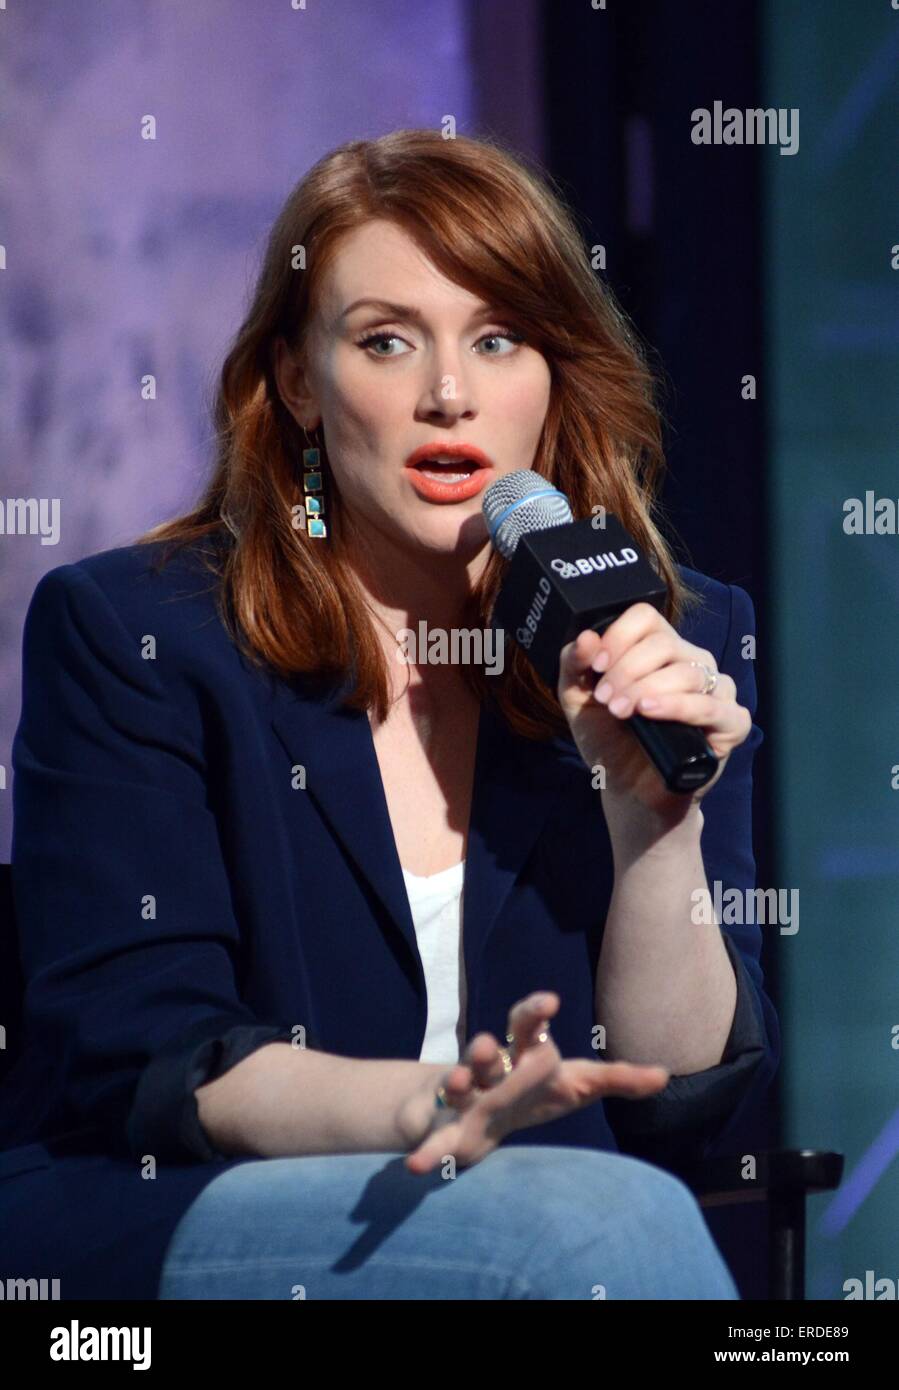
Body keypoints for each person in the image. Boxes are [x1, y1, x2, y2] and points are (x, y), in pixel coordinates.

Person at [0, 129, 779, 1300]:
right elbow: (152, 1061)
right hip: (170, 1209)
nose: (449, 393)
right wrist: (425, 1107)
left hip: (546, 1219)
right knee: (581, 1231)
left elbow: (673, 1097)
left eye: (497, 337)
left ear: (555, 372)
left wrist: (650, 820)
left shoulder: (665, 634)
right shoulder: (138, 634)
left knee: (591, 1225)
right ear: (298, 382)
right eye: (384, 341)